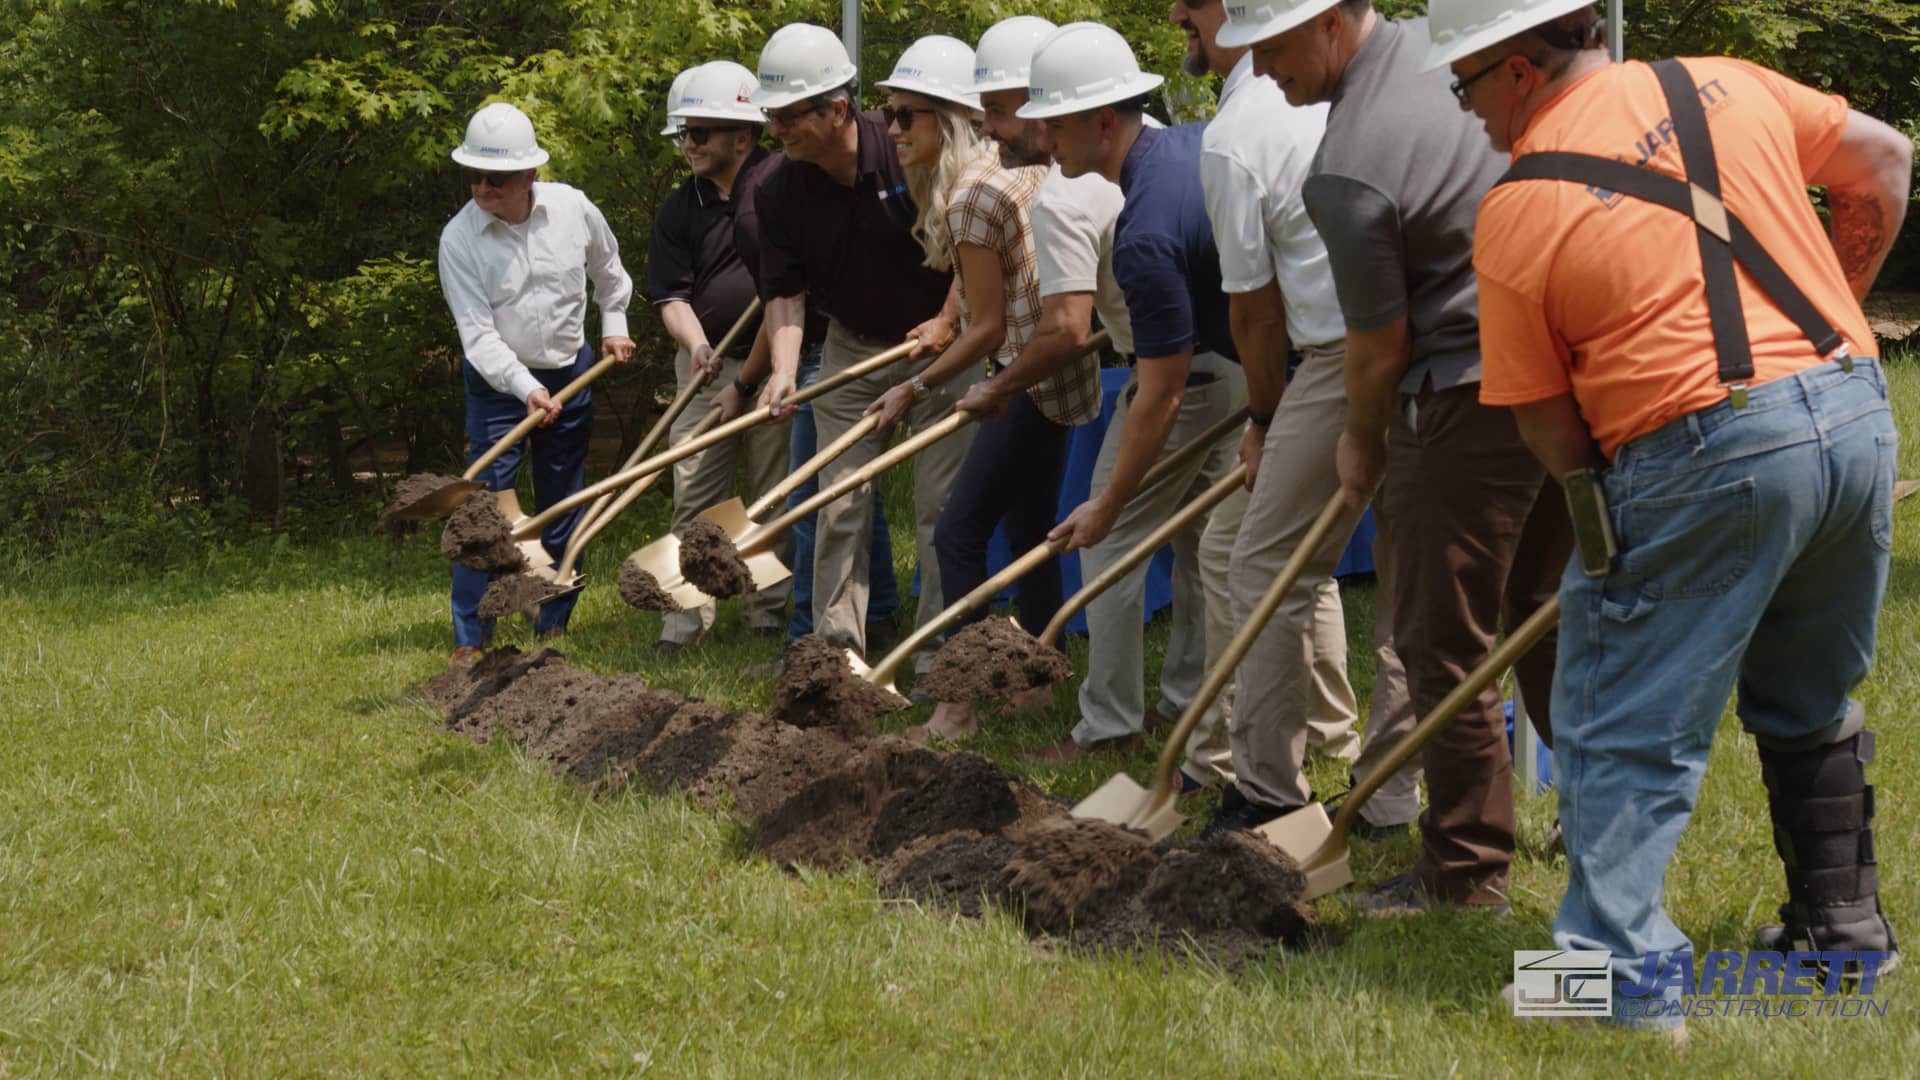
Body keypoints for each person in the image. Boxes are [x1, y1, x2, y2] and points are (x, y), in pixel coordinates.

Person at [1426, 0, 1911, 1033]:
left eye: (1463, 86)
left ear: (1515, 71)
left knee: (1617, 721)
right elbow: (1886, 159)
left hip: (1701, 442)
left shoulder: (1517, 208)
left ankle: (1616, 987)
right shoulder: (1726, 80)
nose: (1468, 116)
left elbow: (1552, 433)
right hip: (1857, 408)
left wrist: (1630, 509)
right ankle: (1845, 941)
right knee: (1810, 692)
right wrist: (1834, 315)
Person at [1229, 0, 1572, 912]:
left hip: (1465, 400)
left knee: (1440, 642)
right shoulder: (1449, 45)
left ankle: (1462, 871)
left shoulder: (1346, 171)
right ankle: (1592, 811)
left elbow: (1376, 350)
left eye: (1272, 47)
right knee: (1543, 616)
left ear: (1336, 20)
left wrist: (1363, 443)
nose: (1263, 71)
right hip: (1565, 371)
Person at [1182, 0, 1412, 836]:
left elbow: (1254, 313)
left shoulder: (1238, 133)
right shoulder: (1396, 81)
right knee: (1406, 581)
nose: (1269, 67)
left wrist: (1264, 415)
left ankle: (1270, 791)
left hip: (1339, 356)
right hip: (1420, 351)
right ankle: (1386, 792)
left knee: (1265, 568)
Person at [1019, 23, 1250, 764]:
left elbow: (1161, 394)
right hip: (1251, 373)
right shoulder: (1187, 142)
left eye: (1055, 125)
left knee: (1112, 539)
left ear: (1104, 122)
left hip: (1209, 381)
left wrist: (1108, 503)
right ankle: (1187, 703)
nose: (1046, 141)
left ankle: (1109, 722)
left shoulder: (1142, 232)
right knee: (1203, 547)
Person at [855, 35, 1094, 741]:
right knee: (1030, 529)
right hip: (1060, 370)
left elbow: (989, 330)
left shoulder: (970, 197)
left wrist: (911, 388)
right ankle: (1036, 683)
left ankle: (959, 704)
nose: (892, 132)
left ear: (954, 122)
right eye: (890, 115)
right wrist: (945, 317)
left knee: (960, 535)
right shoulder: (1012, 167)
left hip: (1022, 375)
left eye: (908, 117)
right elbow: (992, 283)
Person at [748, 23, 970, 673]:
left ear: (838, 109)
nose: (775, 131)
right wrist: (785, 373)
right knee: (837, 502)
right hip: (851, 349)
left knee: (939, 507)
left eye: (788, 116)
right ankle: (838, 658)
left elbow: (971, 249)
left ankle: (938, 655)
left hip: (942, 346)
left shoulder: (908, 147)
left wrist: (949, 319)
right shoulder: (777, 190)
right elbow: (784, 295)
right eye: (772, 116)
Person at [437, 102, 635, 667]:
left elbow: (610, 270)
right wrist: (525, 386)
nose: (480, 187)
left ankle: (553, 628)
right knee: (483, 510)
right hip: (498, 384)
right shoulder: (460, 239)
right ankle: (471, 640)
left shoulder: (572, 208)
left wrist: (615, 325)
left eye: (493, 178)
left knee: (563, 501)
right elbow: (477, 335)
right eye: (472, 175)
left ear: (529, 175)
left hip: (572, 370)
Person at [649, 61, 791, 653]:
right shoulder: (679, 209)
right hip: (705, 369)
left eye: (699, 132)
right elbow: (671, 296)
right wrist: (696, 344)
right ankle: (683, 620)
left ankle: (766, 614)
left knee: (771, 490)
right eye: (683, 133)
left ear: (743, 133)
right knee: (693, 488)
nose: (688, 145)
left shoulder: (782, 189)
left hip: (778, 362)